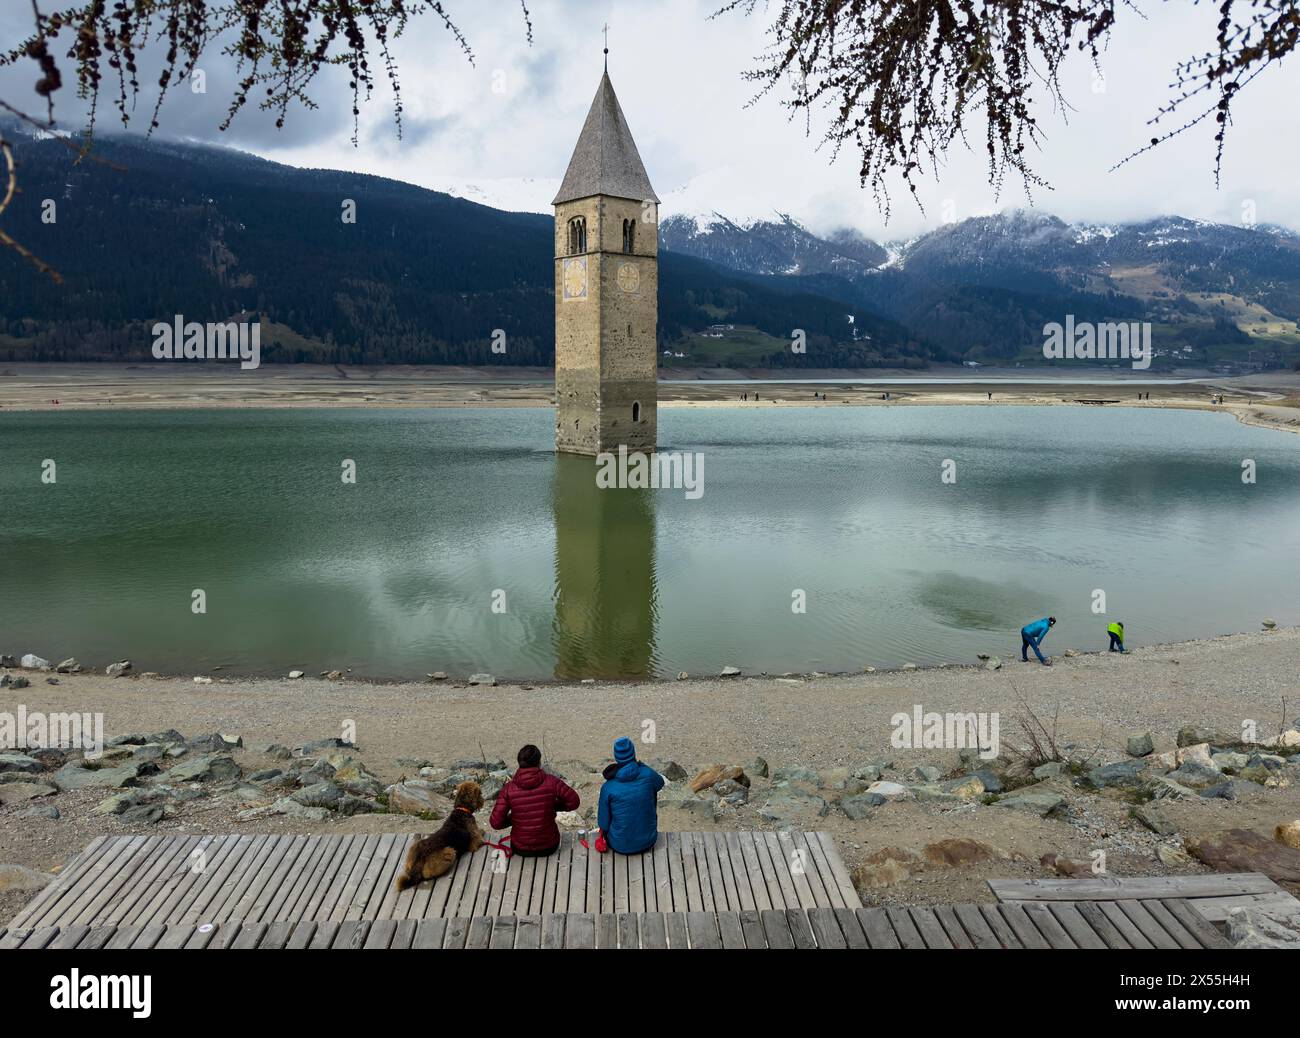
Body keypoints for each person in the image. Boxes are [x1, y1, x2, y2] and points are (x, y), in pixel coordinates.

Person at [488, 744, 580, 857]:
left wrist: (514, 818)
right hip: (550, 846)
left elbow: (495, 823)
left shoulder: (508, 789)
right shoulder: (552, 782)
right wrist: (551, 807)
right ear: (539, 762)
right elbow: (574, 802)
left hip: (520, 848)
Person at [597, 737, 664, 855]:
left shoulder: (608, 787)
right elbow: (660, 784)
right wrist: (642, 766)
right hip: (649, 841)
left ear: (616, 757)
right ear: (633, 753)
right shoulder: (647, 774)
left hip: (620, 846)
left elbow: (603, 824)